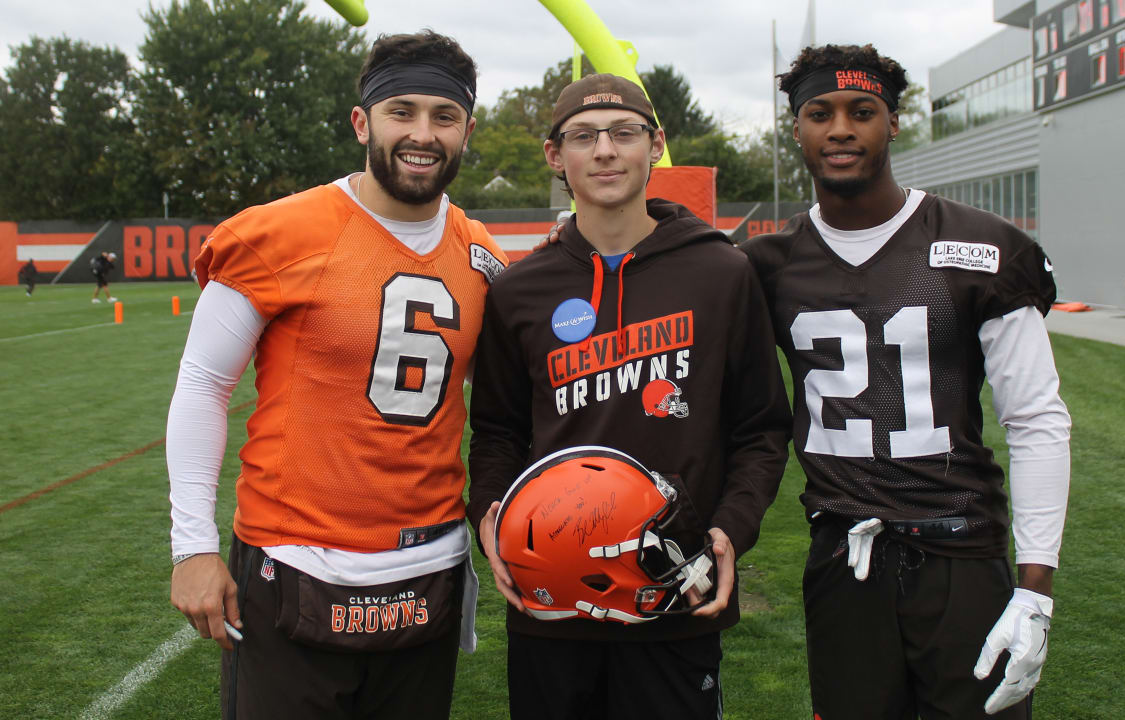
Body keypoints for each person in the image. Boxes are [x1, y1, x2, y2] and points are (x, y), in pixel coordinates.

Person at [166, 30, 506, 720]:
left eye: (444, 117)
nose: (422, 134)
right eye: (401, 111)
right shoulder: (280, 233)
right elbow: (203, 384)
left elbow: (503, 398)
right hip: (296, 565)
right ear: (363, 122)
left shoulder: (481, 253)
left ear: (467, 130)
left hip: (427, 569)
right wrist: (194, 546)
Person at [741, 44, 1072, 720]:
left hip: (961, 552)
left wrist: (1035, 587)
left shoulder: (980, 247)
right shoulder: (765, 264)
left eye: (862, 111)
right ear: (795, 128)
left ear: (892, 123)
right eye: (819, 112)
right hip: (842, 556)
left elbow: (1035, 418)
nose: (840, 129)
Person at [466, 73, 791, 719]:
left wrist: (732, 527)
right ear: (555, 156)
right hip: (550, 594)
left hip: (674, 581)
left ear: (656, 145)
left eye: (624, 132)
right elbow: (498, 432)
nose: (605, 151)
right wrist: (491, 517)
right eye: (583, 137)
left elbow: (761, 428)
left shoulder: (722, 272)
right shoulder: (519, 290)